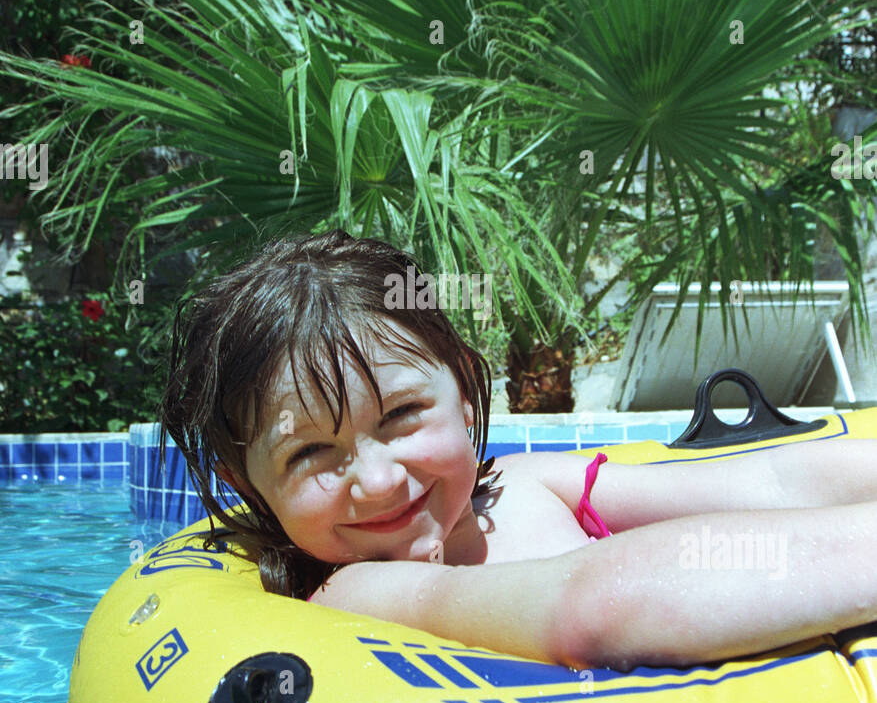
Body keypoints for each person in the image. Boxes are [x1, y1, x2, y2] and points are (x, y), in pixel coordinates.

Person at [159, 229, 877, 671]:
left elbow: (773, 484)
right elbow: (584, 610)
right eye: (309, 454)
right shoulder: (356, 592)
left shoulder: (525, 486)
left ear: (467, 395)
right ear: (245, 483)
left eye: (404, 414)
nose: (376, 479)